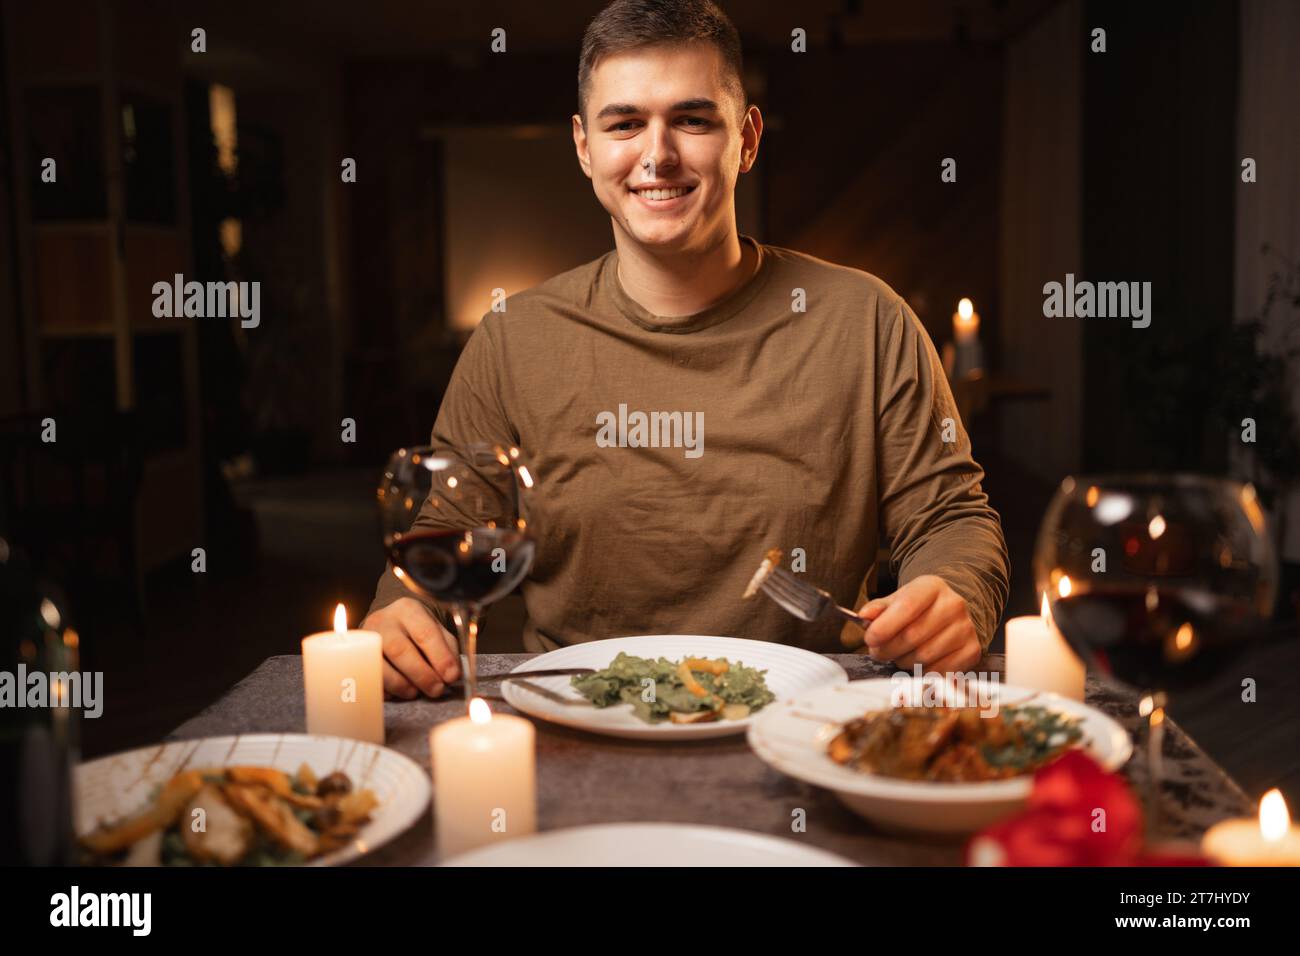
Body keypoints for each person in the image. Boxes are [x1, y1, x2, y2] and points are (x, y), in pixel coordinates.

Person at [363, 0, 1009, 700]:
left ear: (748, 137)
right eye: (625, 123)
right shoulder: (512, 340)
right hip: (579, 724)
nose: (658, 154)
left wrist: (953, 591)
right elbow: (443, 537)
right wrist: (398, 617)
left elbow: (951, 519)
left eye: (692, 119)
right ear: (585, 147)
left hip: (810, 719)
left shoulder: (868, 322)